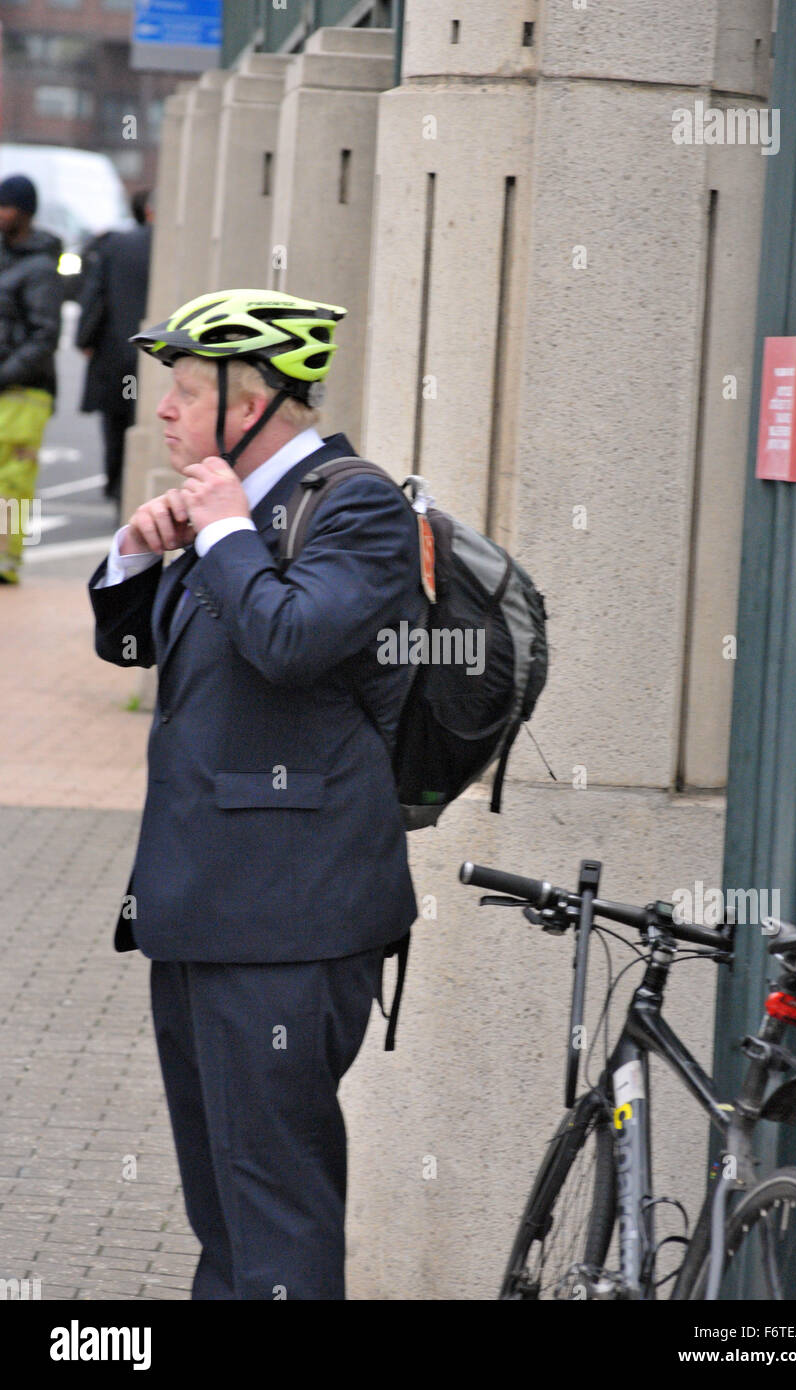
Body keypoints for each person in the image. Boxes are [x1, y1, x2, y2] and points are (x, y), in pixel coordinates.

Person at [87, 289, 425, 1299]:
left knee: (273, 1204)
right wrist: (139, 555)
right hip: (205, 911)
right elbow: (143, 649)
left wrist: (226, 534)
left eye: (188, 390)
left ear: (258, 398)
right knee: (223, 1208)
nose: (166, 409)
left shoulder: (352, 502)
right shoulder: (226, 506)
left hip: (286, 921)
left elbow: (288, 640)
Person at [0, 174, 63, 584]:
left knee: (14, 483)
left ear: (23, 212)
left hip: (25, 393)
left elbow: (46, 335)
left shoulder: (40, 268)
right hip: (10, 387)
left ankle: (7, 562)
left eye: (6, 206)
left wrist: (4, 374)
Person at [76, 189, 153, 505]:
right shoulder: (175, 244)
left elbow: (94, 297)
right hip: (154, 353)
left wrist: (84, 339)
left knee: (115, 422)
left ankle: (116, 484)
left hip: (114, 351)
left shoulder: (115, 245)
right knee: (143, 420)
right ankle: (128, 489)